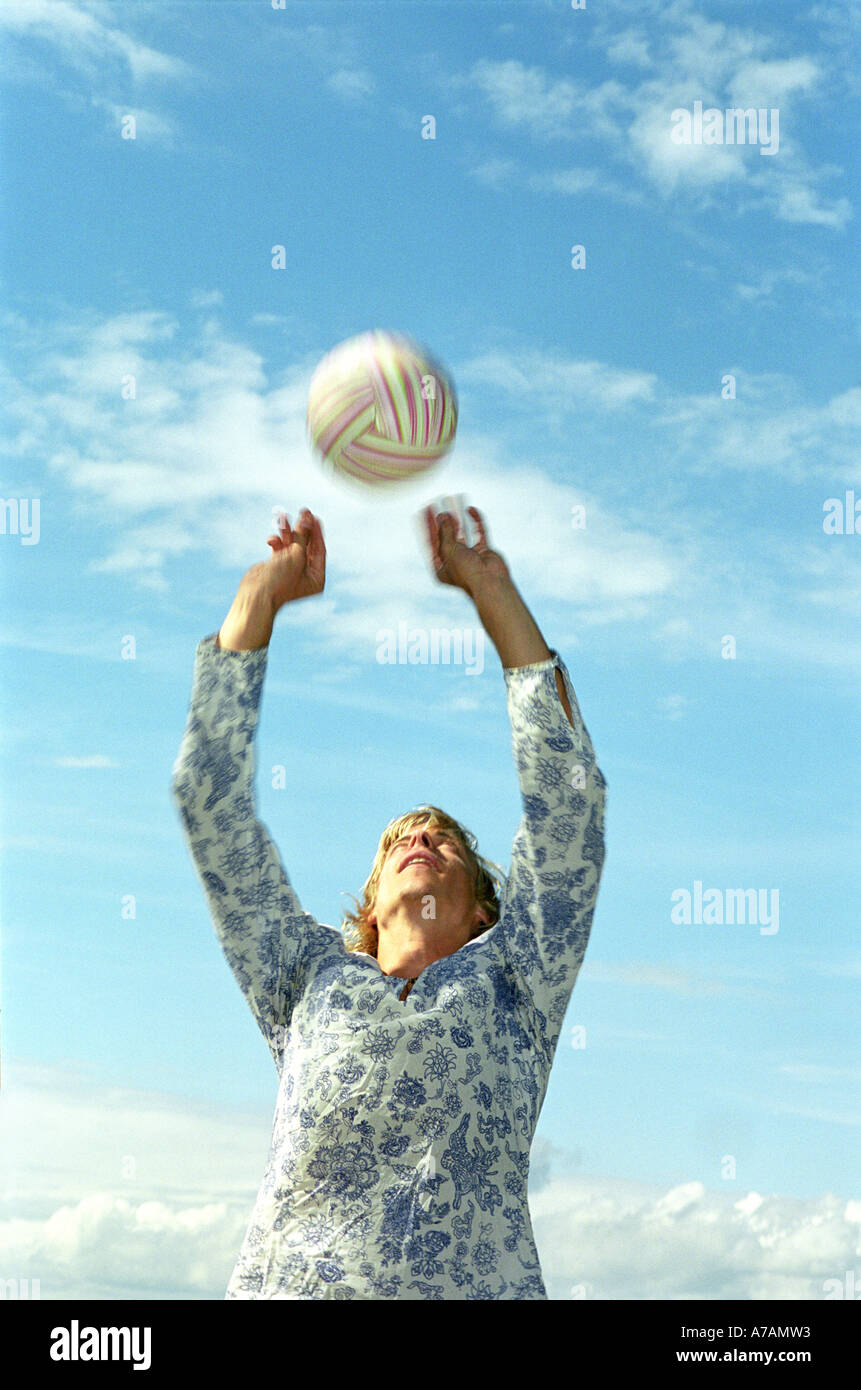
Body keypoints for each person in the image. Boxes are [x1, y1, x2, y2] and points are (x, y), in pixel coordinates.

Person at [171, 502, 607, 1299]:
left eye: (444, 841)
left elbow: (569, 810)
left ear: (482, 907)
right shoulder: (302, 979)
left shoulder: (518, 983)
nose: (421, 840)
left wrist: (491, 591)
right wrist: (257, 599)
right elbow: (212, 807)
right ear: (371, 905)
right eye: (400, 839)